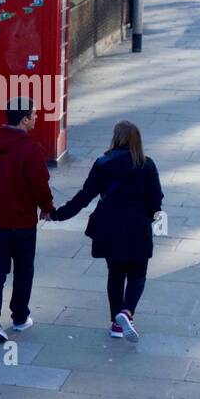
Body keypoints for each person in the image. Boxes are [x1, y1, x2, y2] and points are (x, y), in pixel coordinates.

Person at [49, 121, 163, 342]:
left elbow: (84, 197)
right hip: (138, 230)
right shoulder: (147, 165)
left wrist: (57, 214)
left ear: (115, 139)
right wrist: (149, 215)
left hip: (110, 229)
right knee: (138, 275)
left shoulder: (102, 164)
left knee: (116, 274)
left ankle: (116, 324)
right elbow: (156, 200)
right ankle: (127, 312)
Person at [0, 98, 54, 342]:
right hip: (21, 222)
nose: (36, 117)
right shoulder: (30, 150)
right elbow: (40, 185)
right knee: (23, 270)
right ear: (23, 119)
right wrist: (47, 207)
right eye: (33, 114)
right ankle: (20, 318)